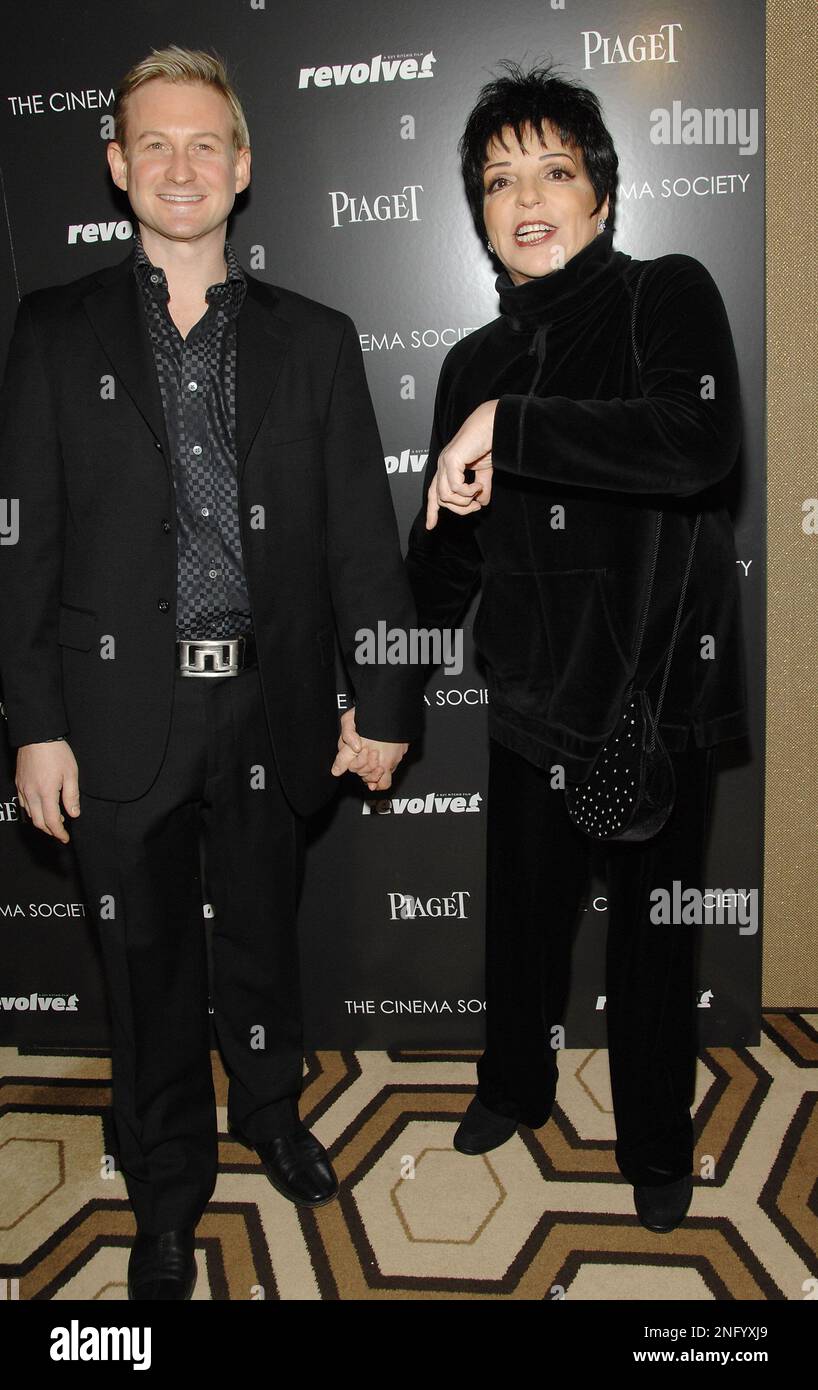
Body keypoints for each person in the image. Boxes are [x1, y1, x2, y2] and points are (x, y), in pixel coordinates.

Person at [0, 45, 420, 1299]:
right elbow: (21, 538)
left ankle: (272, 1115)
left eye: (206, 144)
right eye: (155, 144)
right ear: (119, 166)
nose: (181, 167)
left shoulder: (318, 340)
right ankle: (168, 1191)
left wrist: (387, 698)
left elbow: (361, 537)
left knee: (260, 941)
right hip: (114, 705)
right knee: (143, 966)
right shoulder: (52, 328)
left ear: (243, 167)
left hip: (267, 698)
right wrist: (35, 721)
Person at [402, 62, 750, 1233]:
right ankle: (513, 1080)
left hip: (652, 703)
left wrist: (516, 427)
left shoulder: (666, 295)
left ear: (600, 192)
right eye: (498, 180)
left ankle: (654, 1140)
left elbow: (696, 439)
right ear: (479, 216)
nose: (526, 196)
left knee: (652, 952)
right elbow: (444, 568)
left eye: (553, 169)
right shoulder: (468, 363)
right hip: (529, 706)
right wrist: (382, 689)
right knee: (521, 925)